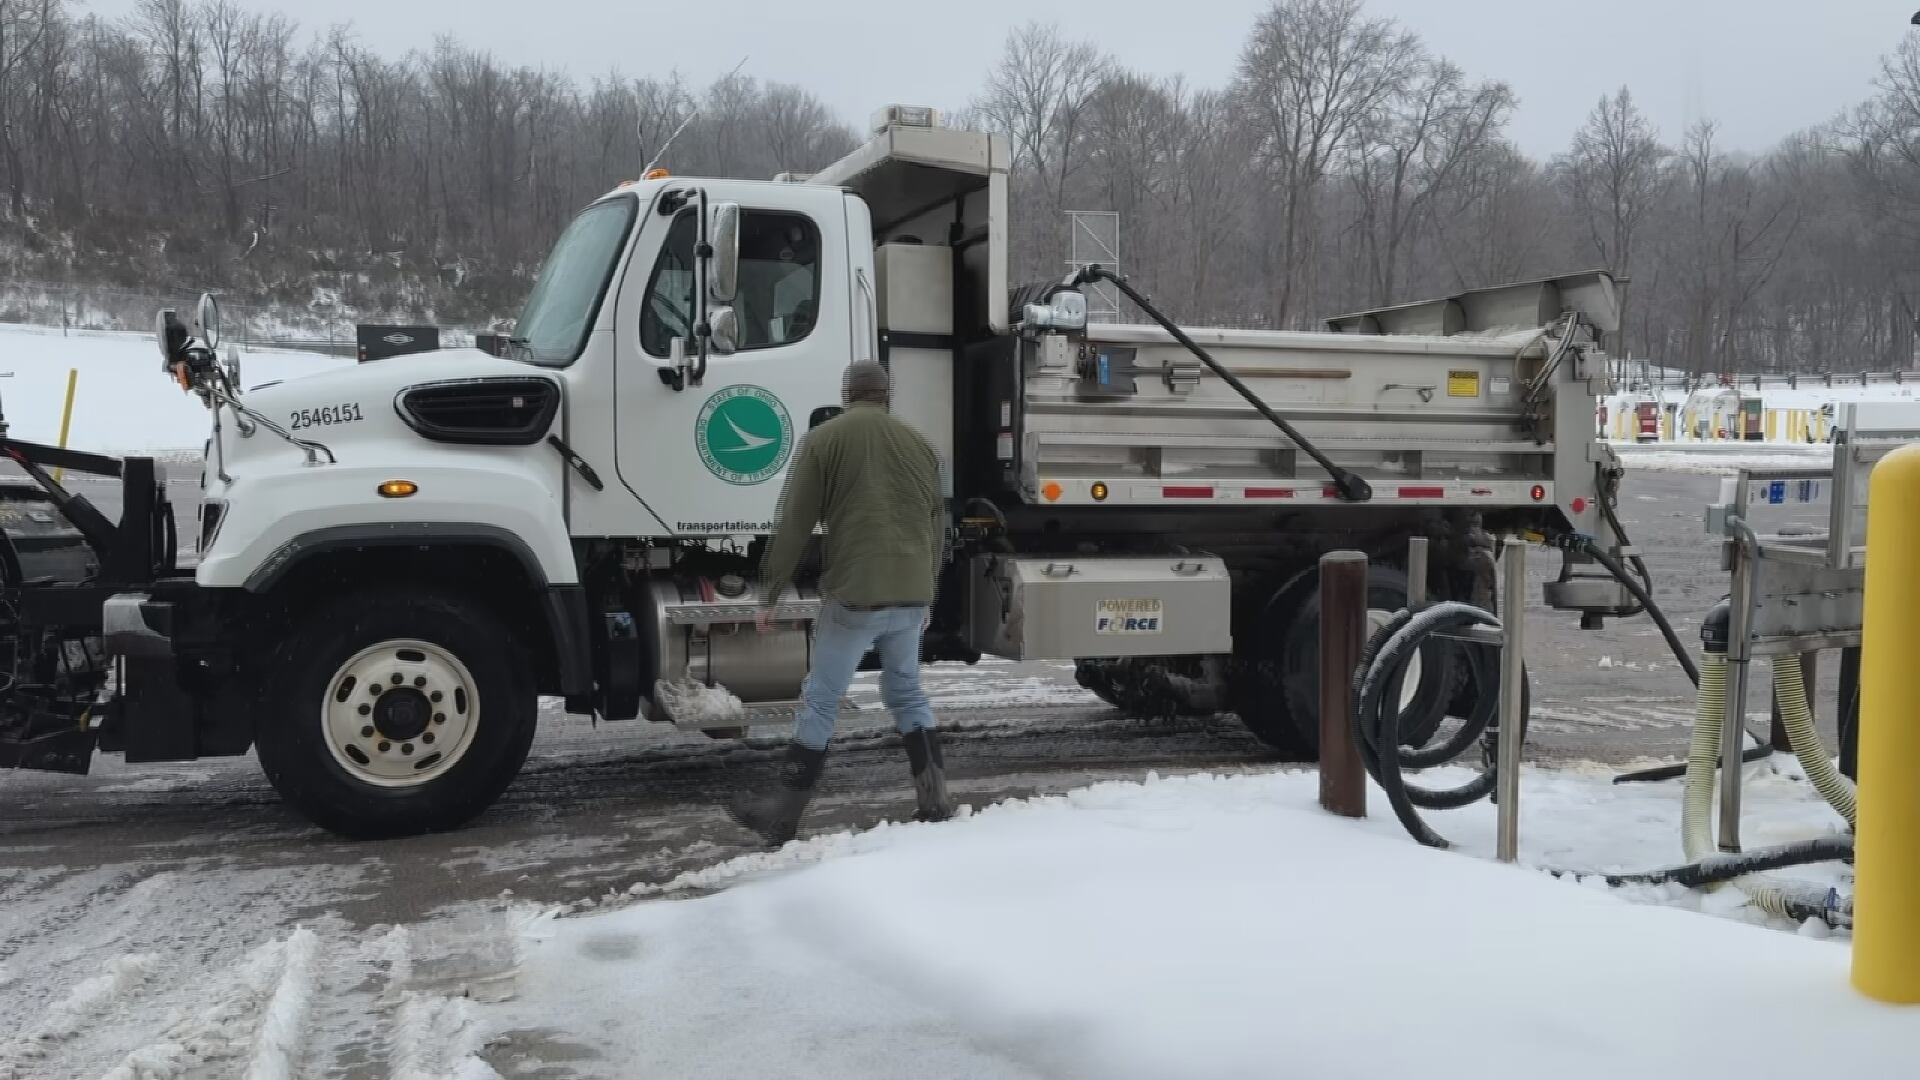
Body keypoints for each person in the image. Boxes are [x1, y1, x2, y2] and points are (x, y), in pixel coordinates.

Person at [728, 360, 952, 845]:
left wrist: (768, 593)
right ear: (887, 394)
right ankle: (935, 803)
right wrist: (927, 590)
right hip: (911, 592)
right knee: (907, 693)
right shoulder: (922, 445)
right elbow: (938, 526)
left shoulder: (824, 440)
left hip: (856, 594)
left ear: (848, 393)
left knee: (821, 698)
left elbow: (794, 520)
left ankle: (782, 816)